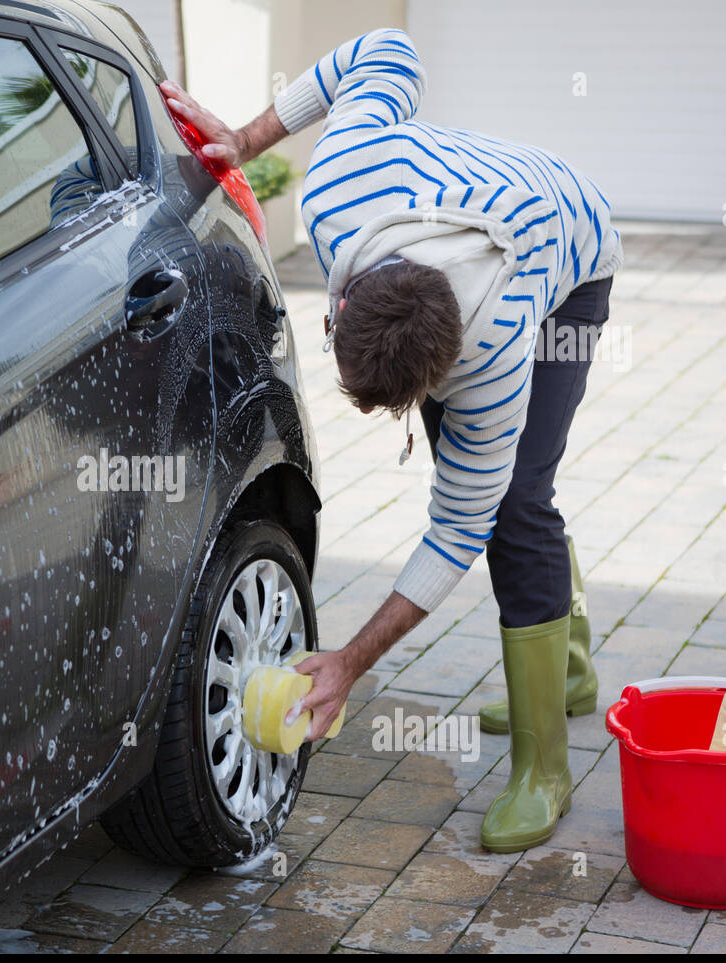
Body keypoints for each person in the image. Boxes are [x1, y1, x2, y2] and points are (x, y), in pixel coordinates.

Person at [160, 27, 622, 853]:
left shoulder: (500, 352)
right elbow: (387, 48)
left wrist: (349, 661)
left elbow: (457, 529)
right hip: (467, 192)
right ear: (343, 299)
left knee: (513, 503)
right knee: (491, 485)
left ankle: (545, 765)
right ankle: (569, 664)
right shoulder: (339, 187)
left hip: (570, 250)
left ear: (445, 374)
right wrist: (246, 137)